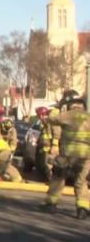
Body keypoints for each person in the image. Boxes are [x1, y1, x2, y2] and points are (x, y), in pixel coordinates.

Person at [40, 90, 90, 219]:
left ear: (69, 104)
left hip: (68, 154)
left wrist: (58, 107)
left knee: (58, 177)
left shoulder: (68, 115)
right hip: (86, 156)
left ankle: (51, 204)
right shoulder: (88, 117)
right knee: (81, 181)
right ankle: (82, 208)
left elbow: (51, 119)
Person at [35, 106, 57, 182]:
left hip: (50, 149)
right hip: (44, 149)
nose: (41, 117)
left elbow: (56, 134)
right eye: (39, 116)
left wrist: (54, 146)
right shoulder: (44, 125)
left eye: (43, 115)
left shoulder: (52, 123)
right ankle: (48, 180)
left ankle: (52, 182)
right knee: (44, 165)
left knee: (50, 166)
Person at [0, 117, 24, 183]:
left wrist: (10, 152)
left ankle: (15, 178)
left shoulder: (13, 131)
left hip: (6, 151)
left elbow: (13, 143)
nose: (6, 132)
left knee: (6, 166)